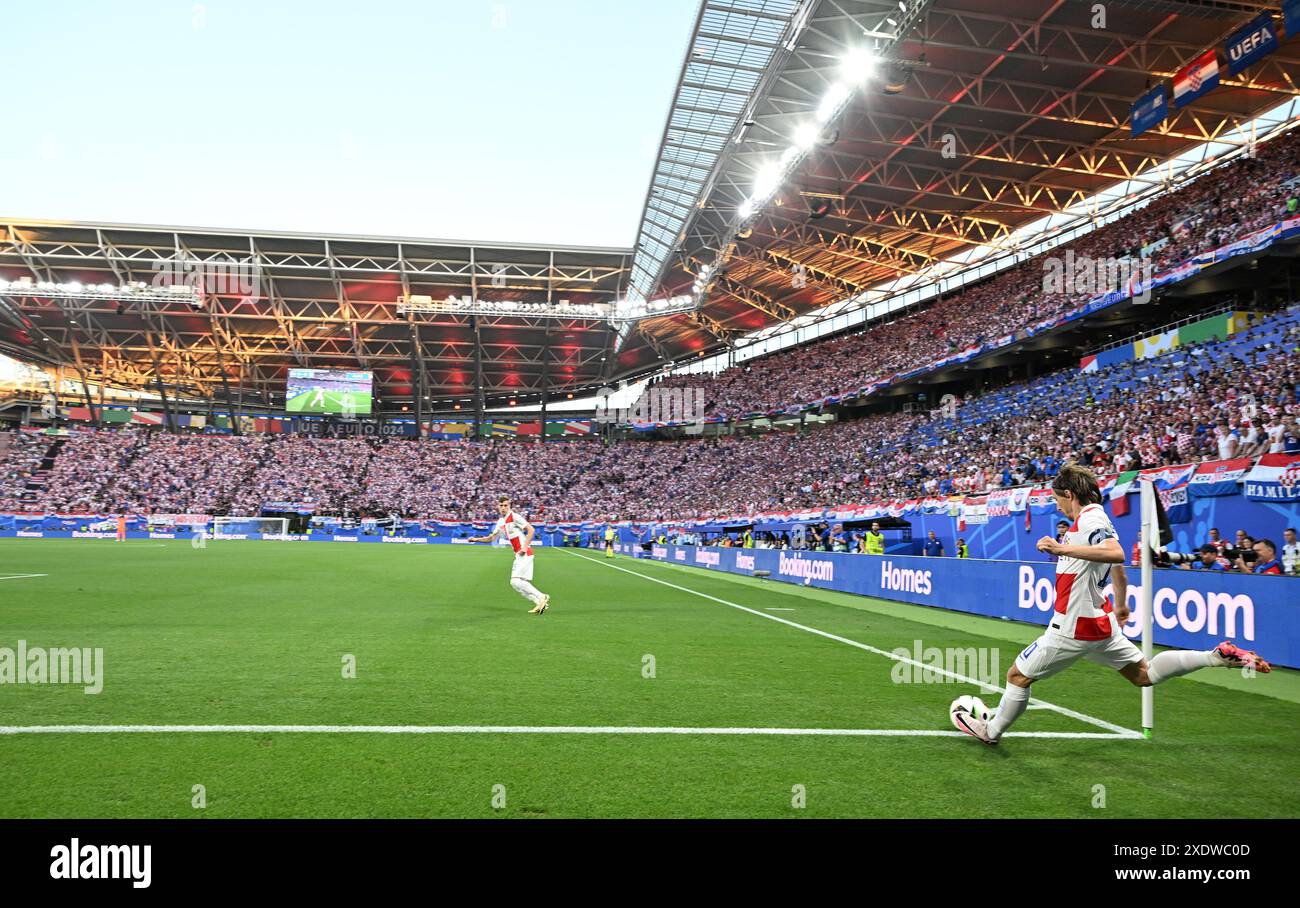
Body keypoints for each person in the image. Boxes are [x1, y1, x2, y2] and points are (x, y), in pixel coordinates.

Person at [952, 463, 1270, 746]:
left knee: (1017, 676)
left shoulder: (1090, 518)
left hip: (1072, 627)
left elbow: (1115, 553)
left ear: (1068, 494)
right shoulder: (1095, 519)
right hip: (1100, 623)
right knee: (1143, 674)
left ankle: (990, 733)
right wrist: (1120, 603)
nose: (1058, 506)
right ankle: (1215, 657)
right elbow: (1117, 567)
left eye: (1057, 499)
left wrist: (1059, 547)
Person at [466, 494, 550, 615]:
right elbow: (492, 538)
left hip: (525, 553)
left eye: (506, 505)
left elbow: (531, 530)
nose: (503, 508)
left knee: (515, 581)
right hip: (518, 554)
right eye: (501, 506)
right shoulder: (501, 522)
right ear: (498, 507)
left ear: (509, 506)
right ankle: (539, 602)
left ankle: (542, 597)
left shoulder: (514, 516)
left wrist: (525, 547)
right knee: (515, 583)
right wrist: (476, 540)